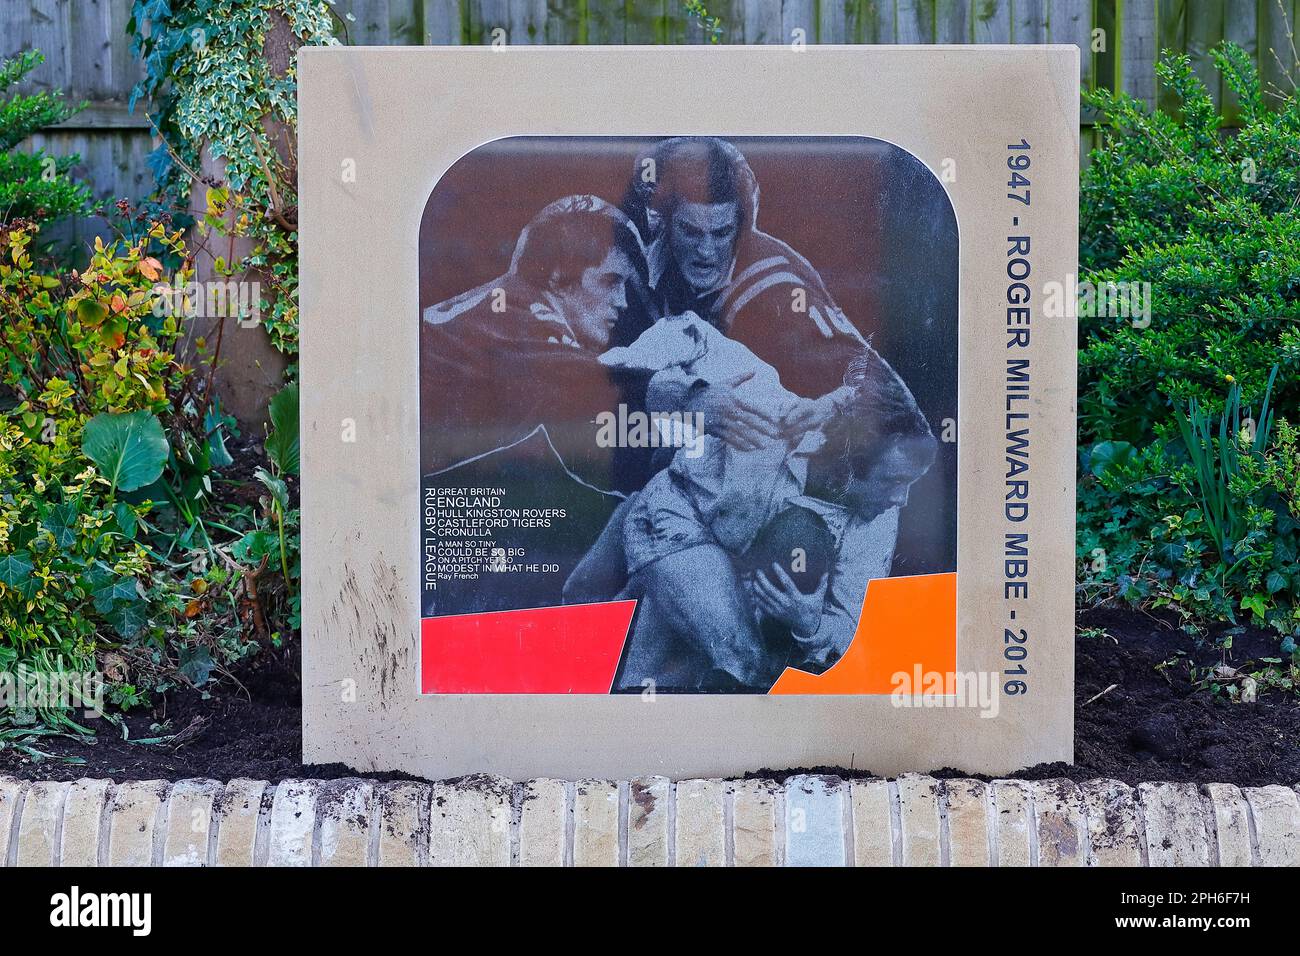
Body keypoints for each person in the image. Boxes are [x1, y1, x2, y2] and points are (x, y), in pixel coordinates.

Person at [610, 345, 937, 694]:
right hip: (679, 520)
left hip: (732, 563)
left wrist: (810, 625)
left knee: (646, 683)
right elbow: (676, 339)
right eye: (893, 481)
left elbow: (848, 638)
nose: (900, 500)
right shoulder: (766, 402)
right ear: (852, 458)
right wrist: (695, 399)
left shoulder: (878, 522)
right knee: (744, 664)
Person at [420, 195, 642, 479]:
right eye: (610, 282)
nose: (622, 302)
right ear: (558, 275)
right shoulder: (524, 320)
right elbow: (599, 381)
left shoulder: (504, 304)